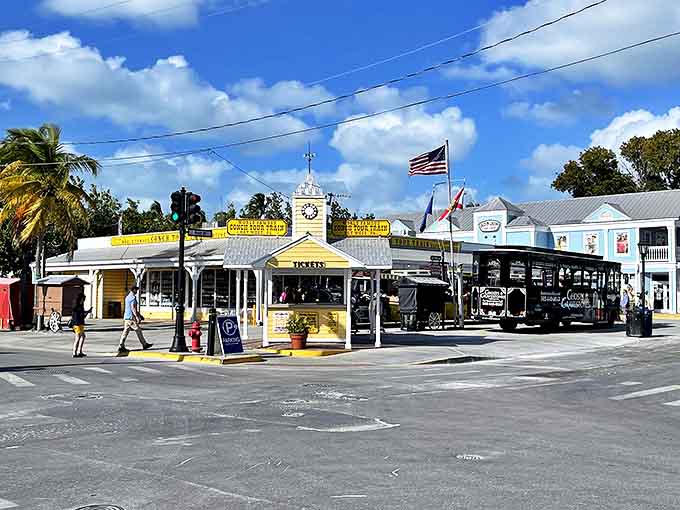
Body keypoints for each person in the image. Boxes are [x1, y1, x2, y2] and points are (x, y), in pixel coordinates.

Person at [118, 285, 153, 354]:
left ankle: (121, 346)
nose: (137, 291)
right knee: (138, 330)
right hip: (131, 318)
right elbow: (133, 308)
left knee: (125, 332)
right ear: (133, 290)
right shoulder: (132, 298)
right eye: (136, 290)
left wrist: (140, 315)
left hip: (126, 317)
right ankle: (144, 344)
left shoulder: (127, 297)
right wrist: (137, 317)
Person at [71, 293, 91, 358]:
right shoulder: (76, 306)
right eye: (83, 299)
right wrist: (85, 313)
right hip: (77, 324)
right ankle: (74, 352)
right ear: (80, 299)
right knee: (78, 337)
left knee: (82, 337)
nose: (83, 300)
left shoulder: (80, 306)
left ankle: (79, 351)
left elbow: (83, 315)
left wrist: (88, 312)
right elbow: (77, 316)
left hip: (80, 323)